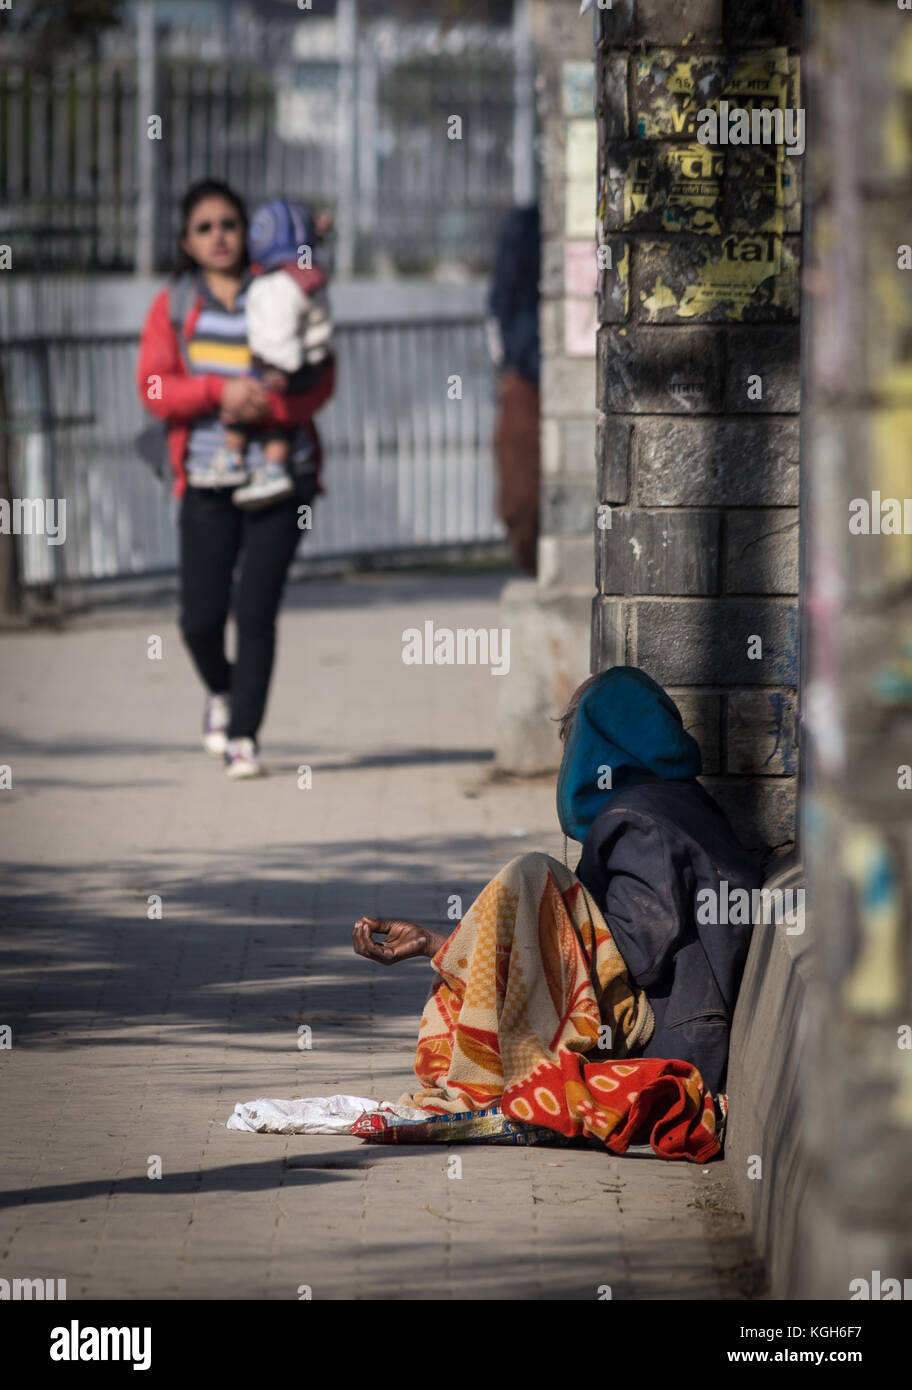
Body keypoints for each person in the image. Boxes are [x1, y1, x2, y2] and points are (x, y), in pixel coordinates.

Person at [353, 667, 763, 1158]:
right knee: (535, 886)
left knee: (531, 876)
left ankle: (511, 1071)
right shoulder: (676, 803)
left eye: (571, 734)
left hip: (670, 1049)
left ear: (596, 739)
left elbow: (636, 955)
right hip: (675, 1033)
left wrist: (545, 908)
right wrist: (443, 945)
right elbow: (590, 951)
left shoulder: (639, 820)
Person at [135, 178, 335, 779]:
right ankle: (221, 692)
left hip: (282, 478)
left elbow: (322, 380)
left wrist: (267, 410)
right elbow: (153, 387)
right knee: (199, 619)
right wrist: (221, 393)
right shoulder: (174, 304)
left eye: (228, 223)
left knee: (255, 610)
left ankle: (244, 736)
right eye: (204, 227)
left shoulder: (280, 284)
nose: (218, 235)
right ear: (186, 242)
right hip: (205, 479)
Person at [223, 198, 334, 510]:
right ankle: (258, 467)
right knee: (276, 420)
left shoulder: (276, 284)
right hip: (305, 367)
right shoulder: (309, 275)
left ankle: (241, 464)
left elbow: (277, 334)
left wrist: (276, 368)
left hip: (283, 367)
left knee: (254, 411)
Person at [487, 204, 541, 577]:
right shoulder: (526, 226)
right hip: (526, 372)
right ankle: (531, 562)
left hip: (531, 364)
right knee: (519, 496)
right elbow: (499, 302)